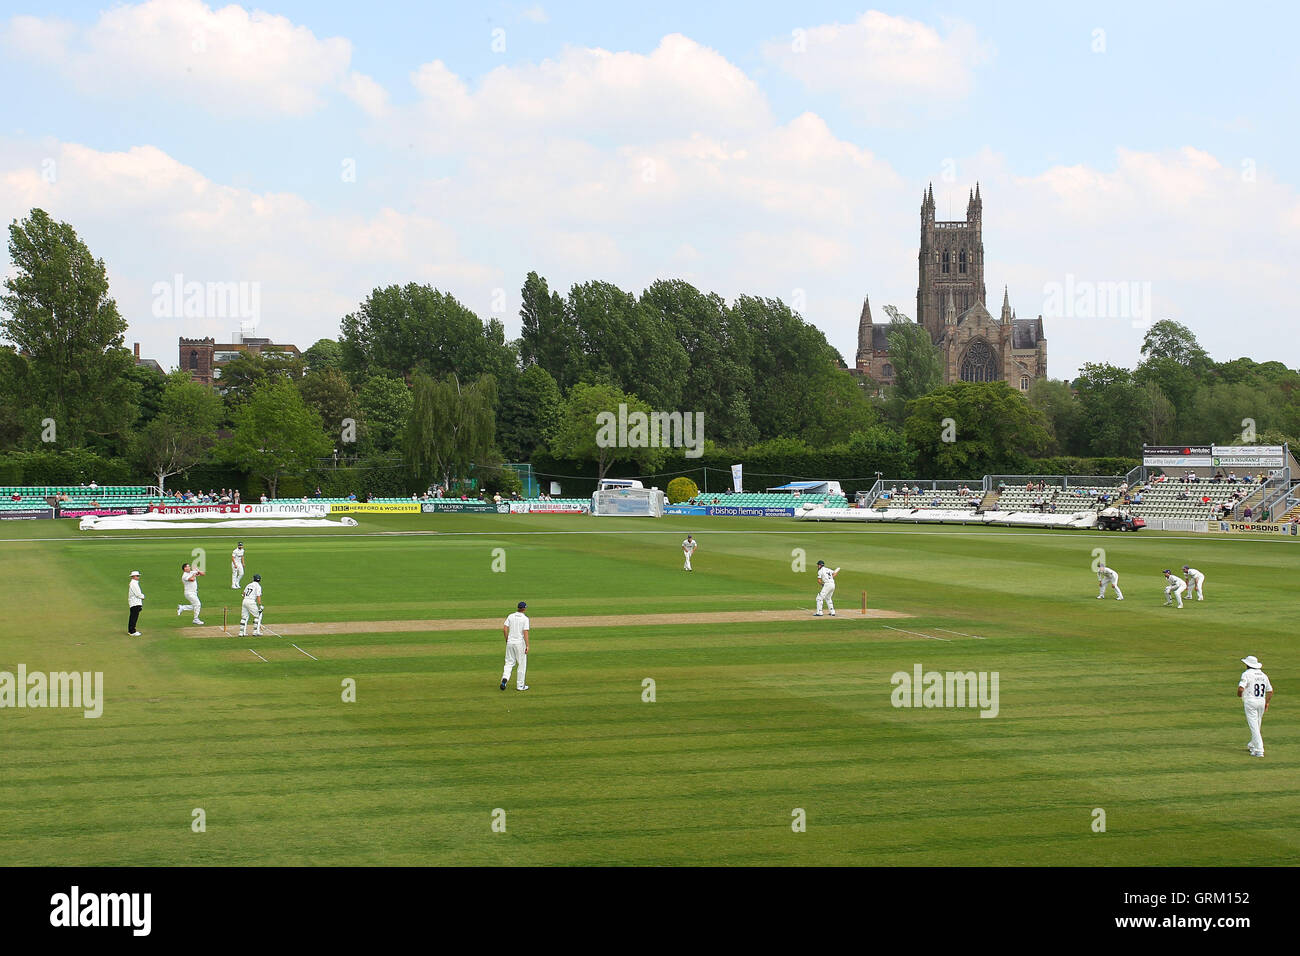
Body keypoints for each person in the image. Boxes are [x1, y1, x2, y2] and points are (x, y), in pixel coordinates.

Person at [1237, 655, 1273, 757]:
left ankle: (1259, 749)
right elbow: (1270, 691)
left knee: (1254, 726)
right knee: (1257, 724)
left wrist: (1239, 695)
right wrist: (1267, 702)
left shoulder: (1246, 674)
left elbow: (1240, 689)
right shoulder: (1263, 675)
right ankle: (1252, 744)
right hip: (1261, 701)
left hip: (1251, 702)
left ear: (1247, 665)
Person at [499, 601, 530, 692]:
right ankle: (520, 685)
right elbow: (525, 632)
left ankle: (504, 679)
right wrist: (527, 645)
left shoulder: (510, 616)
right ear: (524, 609)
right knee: (521, 664)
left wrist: (507, 639)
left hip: (510, 643)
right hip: (519, 643)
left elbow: (504, 629)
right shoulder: (525, 619)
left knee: (509, 663)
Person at [128, 571, 145, 636]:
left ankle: (131, 630)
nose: (138, 577)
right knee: (134, 617)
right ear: (133, 577)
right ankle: (132, 631)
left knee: (134, 616)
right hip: (134, 603)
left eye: (138, 576)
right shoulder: (133, 584)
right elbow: (137, 594)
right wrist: (142, 596)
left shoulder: (134, 583)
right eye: (137, 576)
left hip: (135, 602)